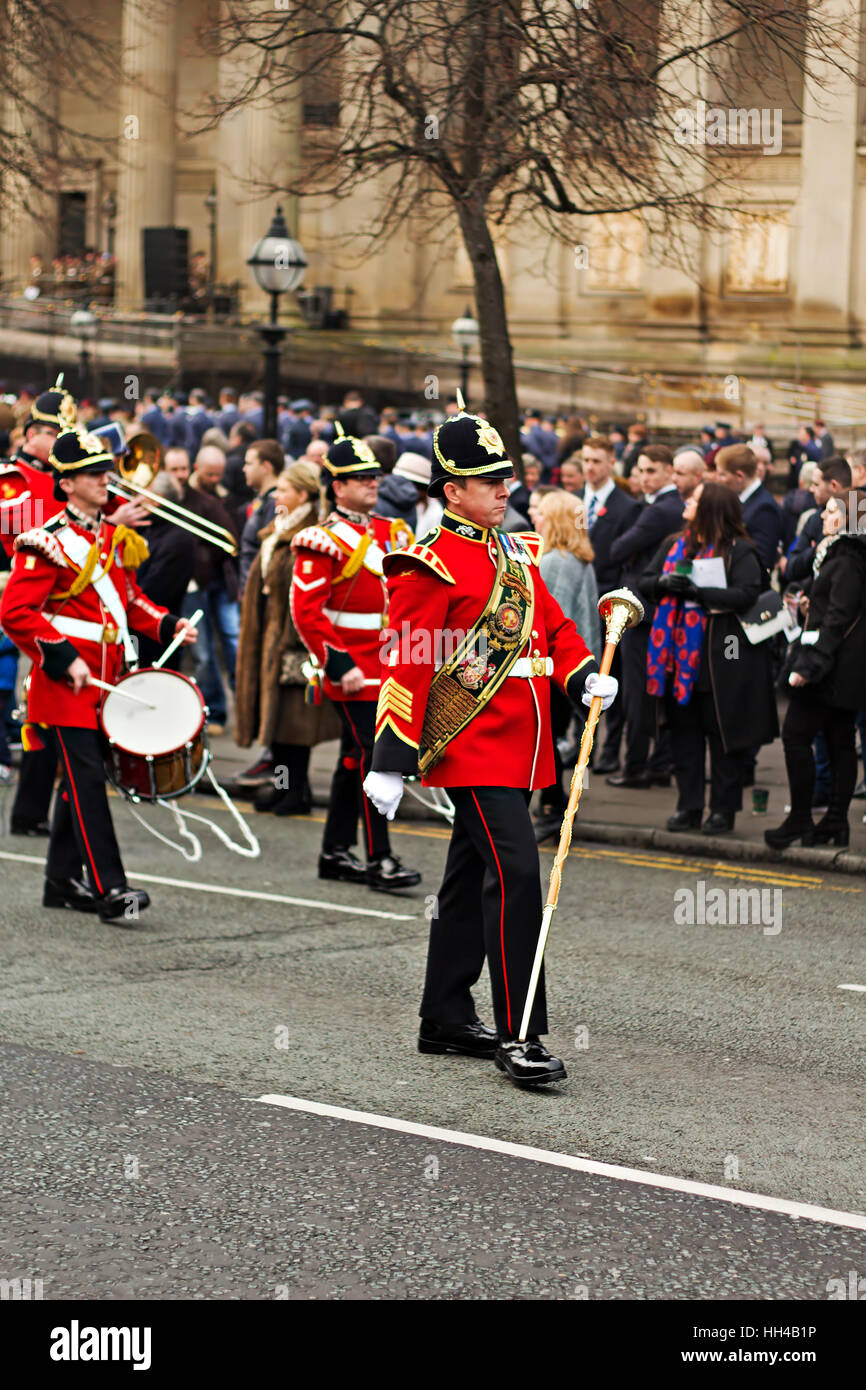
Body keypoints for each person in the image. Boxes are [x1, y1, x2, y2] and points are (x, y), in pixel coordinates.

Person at [363, 404, 616, 1088]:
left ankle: (444, 1014)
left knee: (465, 880)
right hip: (469, 745)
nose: (506, 489)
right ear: (452, 491)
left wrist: (583, 673)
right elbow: (408, 662)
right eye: (488, 480)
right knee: (516, 879)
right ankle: (521, 1033)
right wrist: (388, 759)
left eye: (505, 477)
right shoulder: (427, 565)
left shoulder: (512, 551)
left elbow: (556, 629)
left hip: (523, 747)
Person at [0, 427, 197, 920]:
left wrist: (167, 621)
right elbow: (16, 612)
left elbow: (128, 601)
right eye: (92, 473)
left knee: (79, 781)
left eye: (104, 471)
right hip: (65, 683)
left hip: (109, 680)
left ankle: (61, 882)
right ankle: (112, 887)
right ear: (65, 483)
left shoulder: (112, 537)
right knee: (87, 780)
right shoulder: (44, 542)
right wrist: (63, 657)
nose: (104, 479)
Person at [290, 430, 420, 893]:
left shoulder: (393, 532)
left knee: (354, 755)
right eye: (360, 478)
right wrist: (336, 662)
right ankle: (380, 858)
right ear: (336, 486)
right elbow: (305, 612)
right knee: (375, 755)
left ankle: (334, 852)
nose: (371, 484)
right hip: (350, 668)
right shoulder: (319, 540)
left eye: (373, 476)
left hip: (387, 664)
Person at [640, 483, 778, 834]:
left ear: (712, 509)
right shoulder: (675, 543)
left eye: (696, 499)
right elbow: (643, 581)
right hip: (676, 661)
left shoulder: (740, 550)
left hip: (722, 662)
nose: (687, 502)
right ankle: (688, 807)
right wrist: (663, 581)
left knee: (722, 740)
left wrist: (699, 592)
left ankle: (722, 811)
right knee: (684, 739)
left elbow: (748, 595)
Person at [235, 461, 341, 814]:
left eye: (282, 490)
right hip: (268, 638)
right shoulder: (278, 528)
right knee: (277, 731)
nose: (276, 495)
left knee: (295, 730)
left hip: (294, 644)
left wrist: (294, 639)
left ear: (303, 494)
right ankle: (285, 789)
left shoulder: (310, 534)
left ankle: (297, 793)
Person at [766, 490, 866, 849]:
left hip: (829, 667)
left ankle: (801, 818)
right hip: (842, 666)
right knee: (839, 739)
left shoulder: (847, 558)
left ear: (847, 519)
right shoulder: (842, 555)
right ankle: (835, 823)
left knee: (796, 735)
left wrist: (810, 665)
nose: (822, 517)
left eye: (830, 512)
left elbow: (839, 618)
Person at [607, 445, 683, 788]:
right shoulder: (669, 506)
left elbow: (617, 549)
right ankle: (661, 762)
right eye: (640, 470)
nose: (643, 477)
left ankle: (636, 766)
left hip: (643, 612)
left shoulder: (659, 510)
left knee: (638, 691)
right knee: (659, 690)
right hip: (661, 611)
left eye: (652, 470)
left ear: (669, 472)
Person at [533, 489, 599, 839]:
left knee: (546, 739)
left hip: (556, 665)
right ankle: (554, 805)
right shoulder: (579, 558)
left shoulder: (555, 561)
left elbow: (547, 620)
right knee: (555, 738)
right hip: (578, 662)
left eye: (542, 513)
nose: (535, 519)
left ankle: (552, 808)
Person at [580, 434, 641, 775]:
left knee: (609, 677)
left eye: (597, 461)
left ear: (611, 463)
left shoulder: (626, 507)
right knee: (582, 673)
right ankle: (578, 744)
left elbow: (624, 562)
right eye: (586, 461)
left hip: (607, 601)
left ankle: (609, 750)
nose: (590, 468)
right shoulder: (574, 501)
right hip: (578, 600)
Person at [183, 445, 241, 735]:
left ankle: (239, 708)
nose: (215, 480)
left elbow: (232, 540)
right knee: (203, 649)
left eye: (218, 475)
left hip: (220, 579)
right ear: (197, 468)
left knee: (232, 641)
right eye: (209, 474)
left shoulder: (224, 496)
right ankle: (215, 710)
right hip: (196, 581)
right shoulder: (187, 496)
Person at [134, 473, 196, 668]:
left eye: (143, 492)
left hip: (157, 634)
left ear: (157, 498)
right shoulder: (150, 528)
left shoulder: (178, 538)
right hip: (144, 628)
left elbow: (154, 592)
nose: (136, 498)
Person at [715, 443, 783, 577]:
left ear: (740, 476)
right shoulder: (740, 501)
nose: (718, 480)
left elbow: (762, 560)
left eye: (722, 475)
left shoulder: (764, 508)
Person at [782, 456, 851, 585]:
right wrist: (815, 550)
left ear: (834, 485)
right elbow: (791, 567)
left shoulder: (859, 518)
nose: (811, 489)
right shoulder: (815, 519)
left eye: (816, 484)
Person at [239, 438, 283, 594]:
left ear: (266, 467)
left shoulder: (275, 503)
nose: (244, 469)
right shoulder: (268, 501)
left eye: (249, 463)